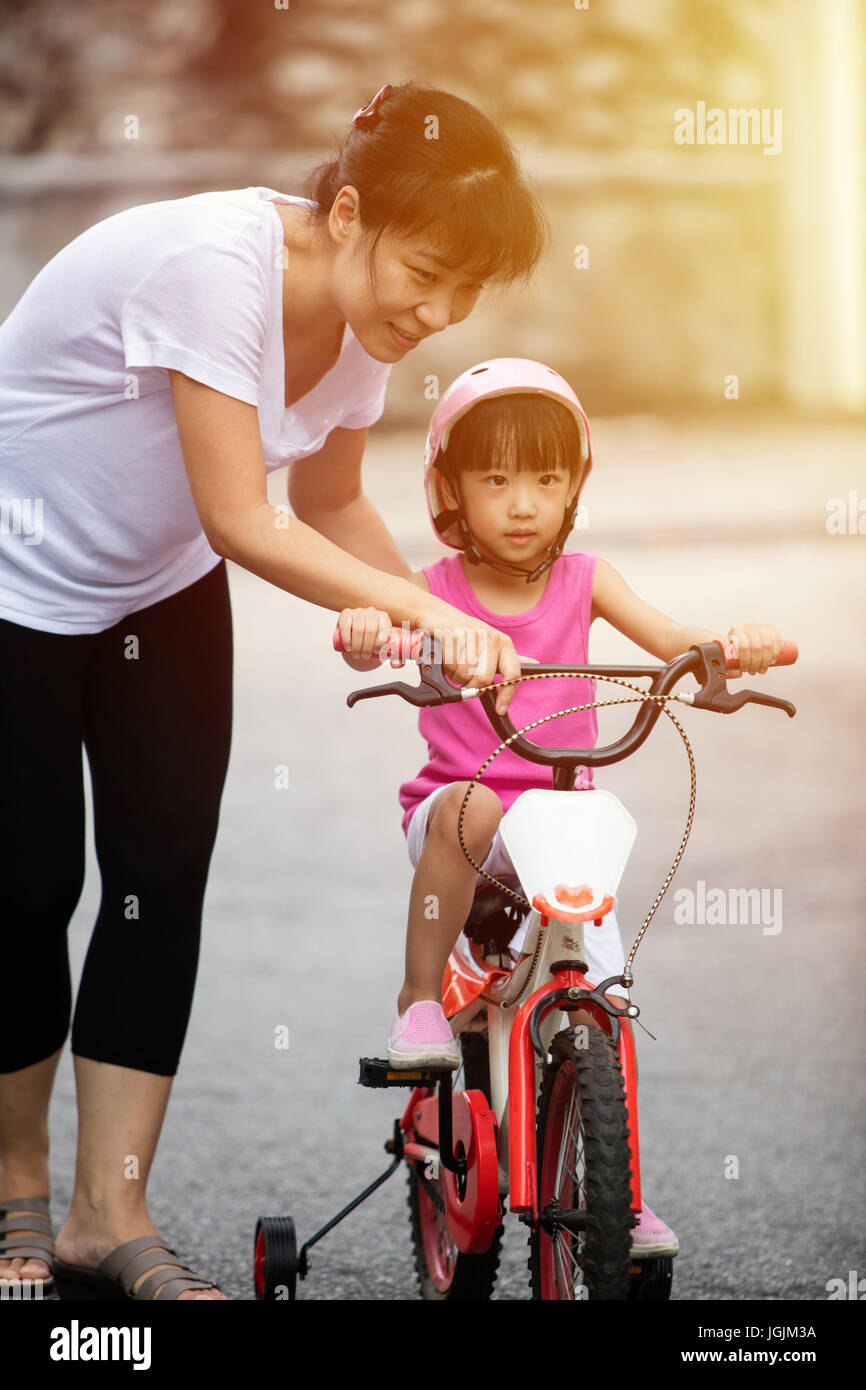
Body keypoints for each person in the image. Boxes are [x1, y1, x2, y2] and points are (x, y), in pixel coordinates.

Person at [0, 83, 549, 1299]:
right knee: (28, 883)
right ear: (345, 214)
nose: (440, 312)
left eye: (467, 293)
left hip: (158, 588)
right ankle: (15, 1204)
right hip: (16, 583)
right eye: (427, 272)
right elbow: (242, 516)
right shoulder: (215, 270)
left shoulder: (364, 328)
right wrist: (435, 614)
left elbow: (329, 504)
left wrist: (435, 629)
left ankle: (110, 1215)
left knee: (157, 886)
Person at [336, 356, 782, 1257]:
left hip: (554, 822)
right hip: (458, 824)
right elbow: (381, 635)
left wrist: (732, 644)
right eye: (495, 479)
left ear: (574, 486)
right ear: (450, 489)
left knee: (608, 1003)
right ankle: (421, 1001)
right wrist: (363, 631)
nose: (523, 503)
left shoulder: (586, 579)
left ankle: (622, 1193)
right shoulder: (436, 592)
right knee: (472, 804)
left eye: (545, 479)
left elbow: (671, 637)